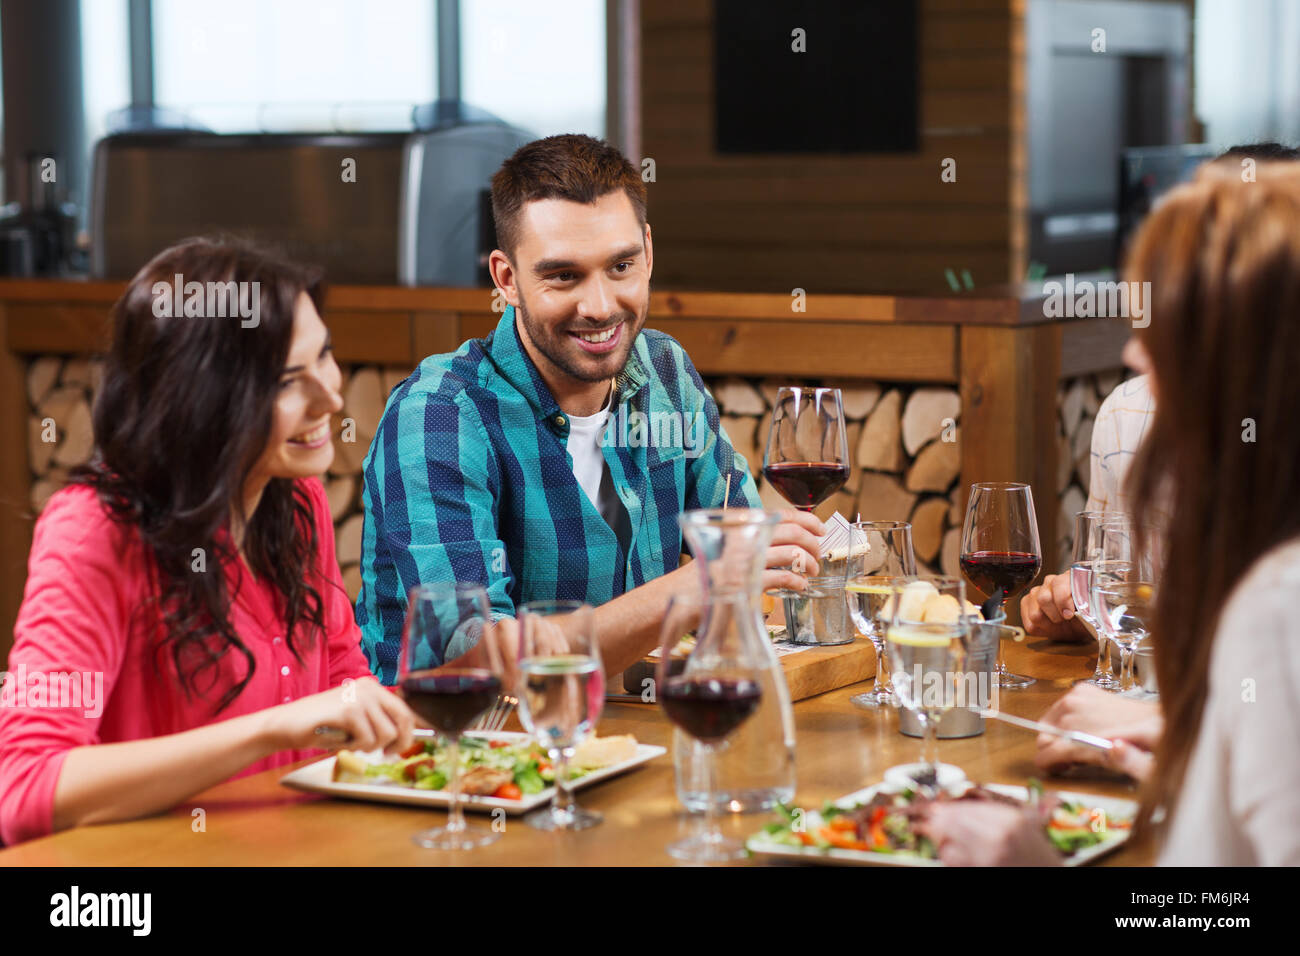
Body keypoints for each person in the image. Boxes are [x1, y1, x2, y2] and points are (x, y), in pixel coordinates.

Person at [924, 160, 1300, 865]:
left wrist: (1029, 860)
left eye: (1167, 322)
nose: (1133, 349)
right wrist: (1180, 742)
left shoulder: (1278, 605)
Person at [0, 239, 424, 846]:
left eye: (324, 355)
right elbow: (24, 788)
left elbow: (341, 676)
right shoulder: (91, 532)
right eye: (286, 382)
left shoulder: (294, 501)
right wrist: (269, 729)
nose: (331, 397)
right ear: (202, 402)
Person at [355, 134, 823, 682]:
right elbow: (472, 656)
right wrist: (696, 587)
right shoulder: (437, 414)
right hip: (470, 751)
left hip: (631, 737)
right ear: (507, 278)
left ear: (647, 252)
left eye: (621, 266)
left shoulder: (665, 371)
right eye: (563, 275)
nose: (600, 307)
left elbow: (744, 562)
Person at [1022, 142, 1300, 641]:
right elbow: (1124, 608)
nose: (1134, 354)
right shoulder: (1127, 416)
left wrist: (1161, 723)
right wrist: (1077, 617)